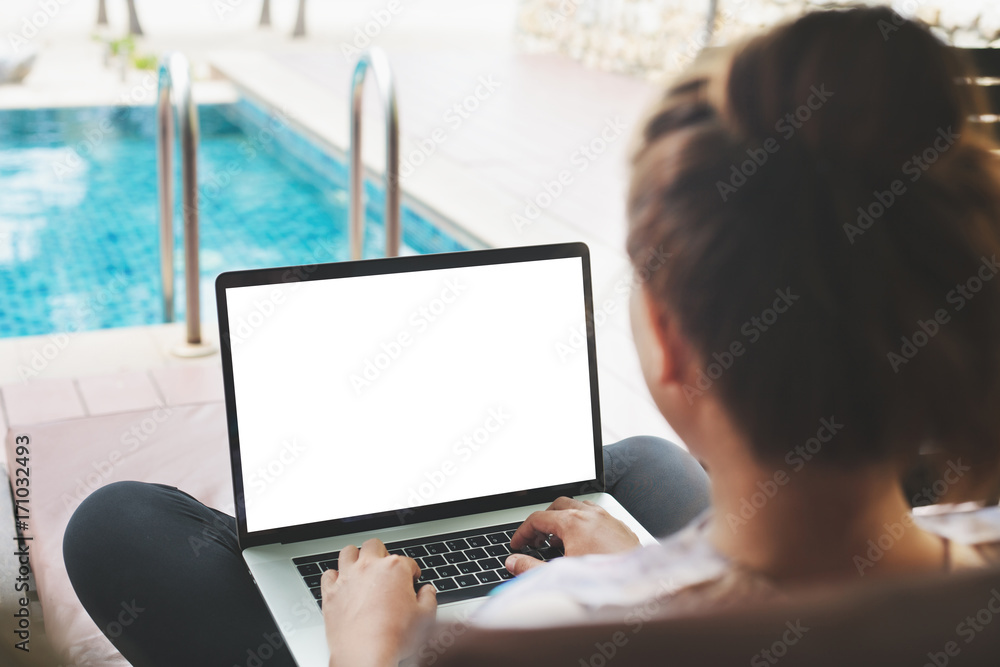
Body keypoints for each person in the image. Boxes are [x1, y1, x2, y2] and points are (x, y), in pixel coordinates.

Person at [64, 6, 1000, 666]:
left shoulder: (540, 633)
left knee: (113, 524)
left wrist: (369, 648)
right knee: (622, 463)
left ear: (669, 343)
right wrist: (655, 569)